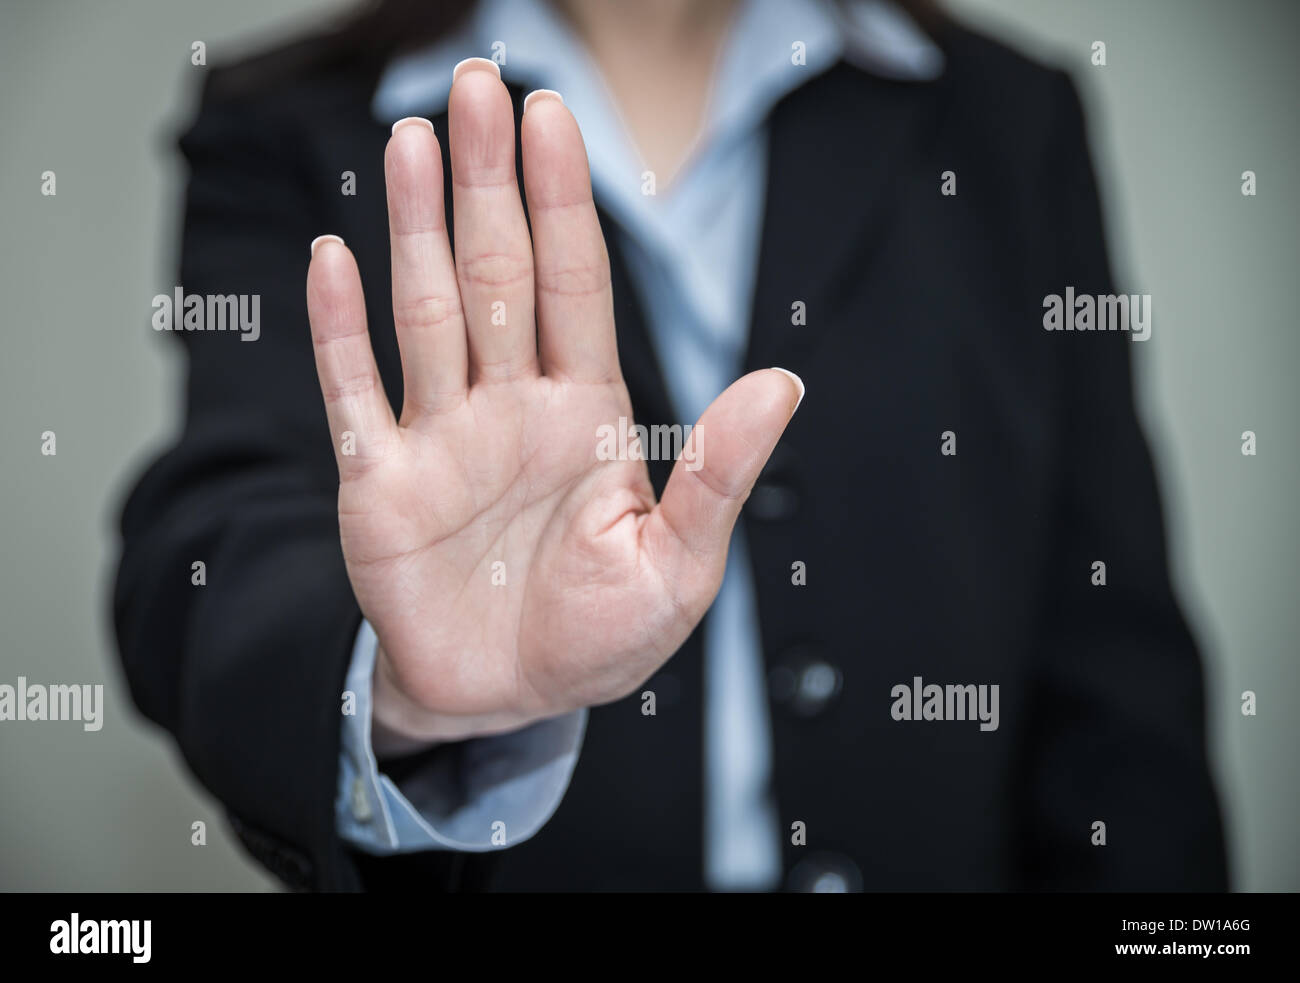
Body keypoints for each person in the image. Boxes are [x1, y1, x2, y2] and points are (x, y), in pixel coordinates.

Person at [113, 0, 1228, 891]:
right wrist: (398, 682)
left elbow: (1108, 645)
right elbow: (214, 540)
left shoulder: (1001, 119)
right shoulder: (288, 120)